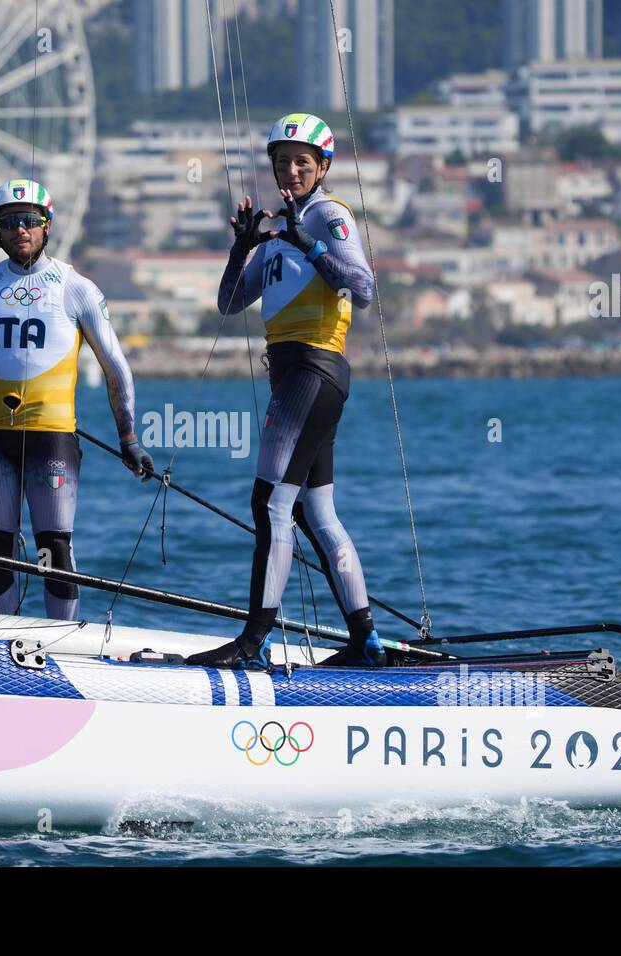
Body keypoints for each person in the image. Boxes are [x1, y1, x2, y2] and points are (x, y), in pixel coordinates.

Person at [186, 113, 384, 669]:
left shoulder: (328, 214)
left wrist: (313, 246)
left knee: (269, 502)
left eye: (303, 162)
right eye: (282, 162)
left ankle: (253, 642)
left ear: (323, 167)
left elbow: (364, 288)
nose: (291, 170)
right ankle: (364, 642)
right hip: (295, 374)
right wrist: (242, 247)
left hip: (312, 371)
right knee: (316, 511)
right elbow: (229, 304)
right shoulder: (279, 235)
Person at [0, 178, 152, 620]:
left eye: (29, 220)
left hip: (52, 439)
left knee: (52, 544)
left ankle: (61, 642)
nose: (20, 229)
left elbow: (116, 367)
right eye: (9, 222)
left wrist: (129, 437)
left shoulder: (76, 287)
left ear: (47, 227)